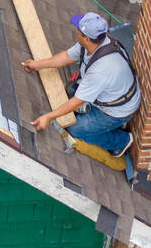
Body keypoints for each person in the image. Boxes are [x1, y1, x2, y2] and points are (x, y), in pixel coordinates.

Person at [23, 12, 139, 157]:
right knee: (70, 91)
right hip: (108, 94)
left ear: (86, 38)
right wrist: (37, 65)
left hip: (116, 111)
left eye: (78, 30)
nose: (76, 31)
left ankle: (121, 141)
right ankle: (101, 123)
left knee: (76, 129)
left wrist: (48, 117)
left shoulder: (101, 71)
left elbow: (77, 102)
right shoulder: (94, 43)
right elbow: (66, 57)